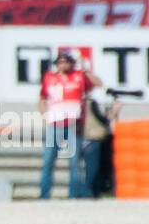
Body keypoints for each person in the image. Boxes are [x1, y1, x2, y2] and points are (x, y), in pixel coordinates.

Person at [39, 51, 102, 198]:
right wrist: (45, 115)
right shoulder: (50, 78)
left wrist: (85, 71)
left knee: (74, 163)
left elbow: (98, 83)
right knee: (48, 161)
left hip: (74, 124)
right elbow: (42, 98)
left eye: (66, 62)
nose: (63, 64)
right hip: (55, 124)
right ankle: (44, 194)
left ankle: (73, 195)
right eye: (60, 62)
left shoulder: (79, 76)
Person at [81, 92, 121, 198]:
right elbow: (103, 119)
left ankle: (95, 193)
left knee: (97, 169)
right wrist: (114, 111)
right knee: (92, 169)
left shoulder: (90, 102)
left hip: (98, 138)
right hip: (93, 138)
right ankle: (88, 193)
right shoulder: (91, 103)